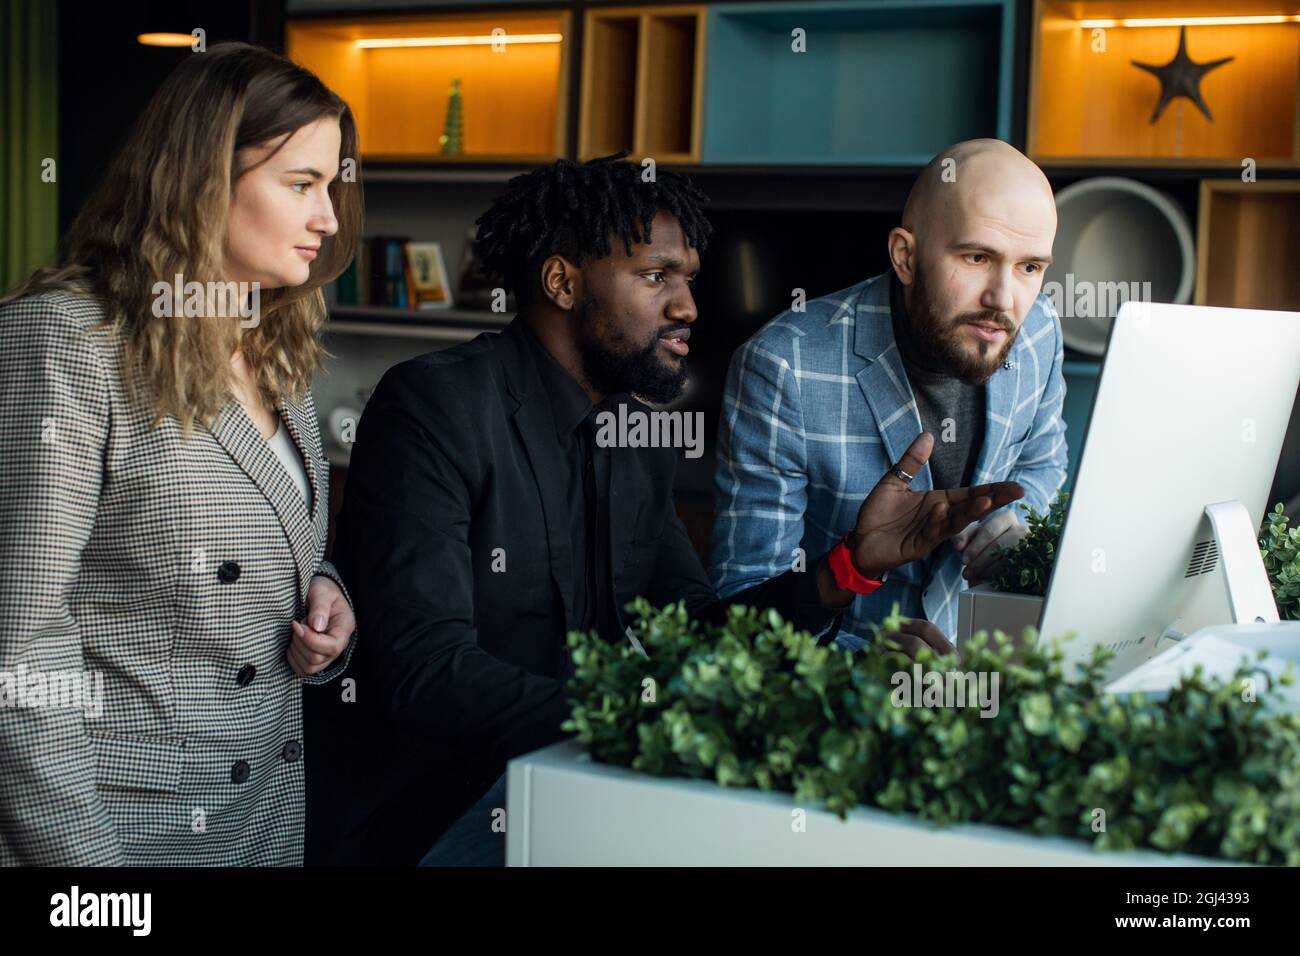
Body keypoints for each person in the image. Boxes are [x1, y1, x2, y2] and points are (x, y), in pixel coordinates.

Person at [305, 153, 1023, 866]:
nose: (688, 307)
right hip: (436, 811)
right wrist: (656, 716)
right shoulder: (435, 405)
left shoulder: (637, 433)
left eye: (687, 279)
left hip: (574, 779)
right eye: (656, 277)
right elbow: (426, 673)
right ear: (562, 282)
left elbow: (696, 631)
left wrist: (848, 567)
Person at [0, 43, 360, 865]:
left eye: (332, 186)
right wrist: (90, 876)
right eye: (301, 184)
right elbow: (17, 646)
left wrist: (324, 591)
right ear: (201, 181)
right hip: (115, 834)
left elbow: (269, 523)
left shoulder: (276, 343)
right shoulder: (66, 340)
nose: (330, 217)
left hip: (261, 817)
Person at [711, 139, 1067, 648]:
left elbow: (1043, 461)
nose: (1003, 299)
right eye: (976, 257)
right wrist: (858, 671)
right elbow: (742, 608)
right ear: (904, 256)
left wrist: (1013, 519)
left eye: (1029, 267)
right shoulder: (781, 367)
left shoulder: (1038, 331)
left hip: (981, 668)